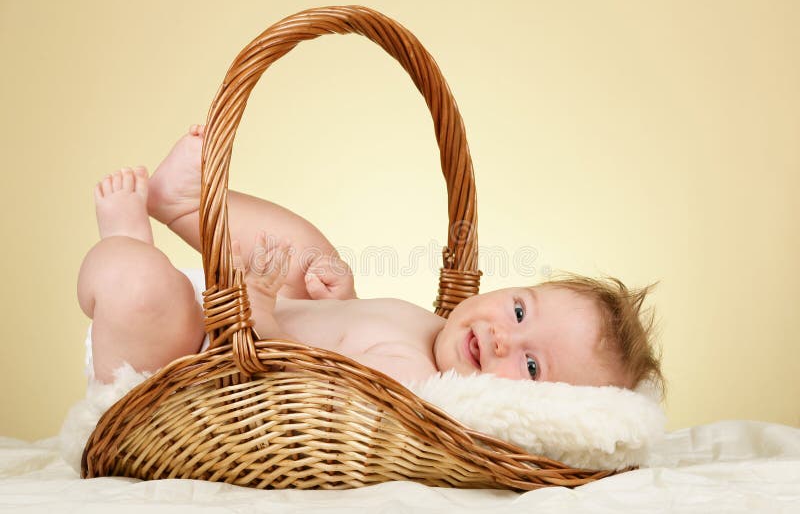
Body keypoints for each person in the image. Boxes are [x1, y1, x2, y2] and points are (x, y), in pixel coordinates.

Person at [77, 125, 663, 393]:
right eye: (517, 310)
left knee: (141, 285)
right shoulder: (432, 330)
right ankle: (183, 204)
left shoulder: (419, 384)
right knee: (312, 256)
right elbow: (347, 339)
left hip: (188, 360)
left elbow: (300, 385)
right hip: (230, 313)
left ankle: (128, 237)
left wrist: (261, 312)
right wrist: (339, 298)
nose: (505, 339)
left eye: (533, 368)